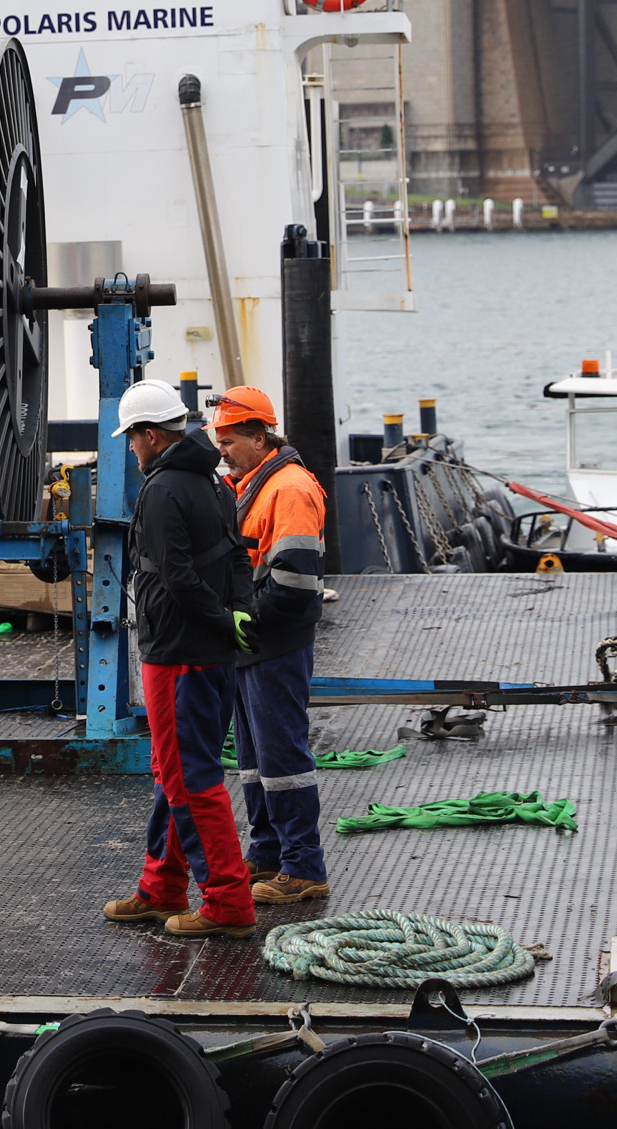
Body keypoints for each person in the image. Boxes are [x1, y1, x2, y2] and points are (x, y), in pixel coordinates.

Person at [103, 378, 259, 938]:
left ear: (150, 435)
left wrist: (219, 618)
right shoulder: (215, 482)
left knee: (188, 777)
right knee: (176, 772)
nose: (131, 448)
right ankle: (162, 887)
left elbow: (175, 576)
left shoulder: (163, 489)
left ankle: (227, 903)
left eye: (132, 438)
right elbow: (237, 558)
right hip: (211, 653)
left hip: (177, 655)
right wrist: (239, 615)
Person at [212, 385, 330, 906]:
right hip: (252, 644)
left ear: (259, 437)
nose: (223, 453)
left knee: (283, 758)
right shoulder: (252, 486)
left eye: (230, 443)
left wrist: (246, 622)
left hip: (273, 643)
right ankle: (266, 854)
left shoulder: (289, 490)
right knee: (256, 761)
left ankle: (303, 867)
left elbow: (296, 583)